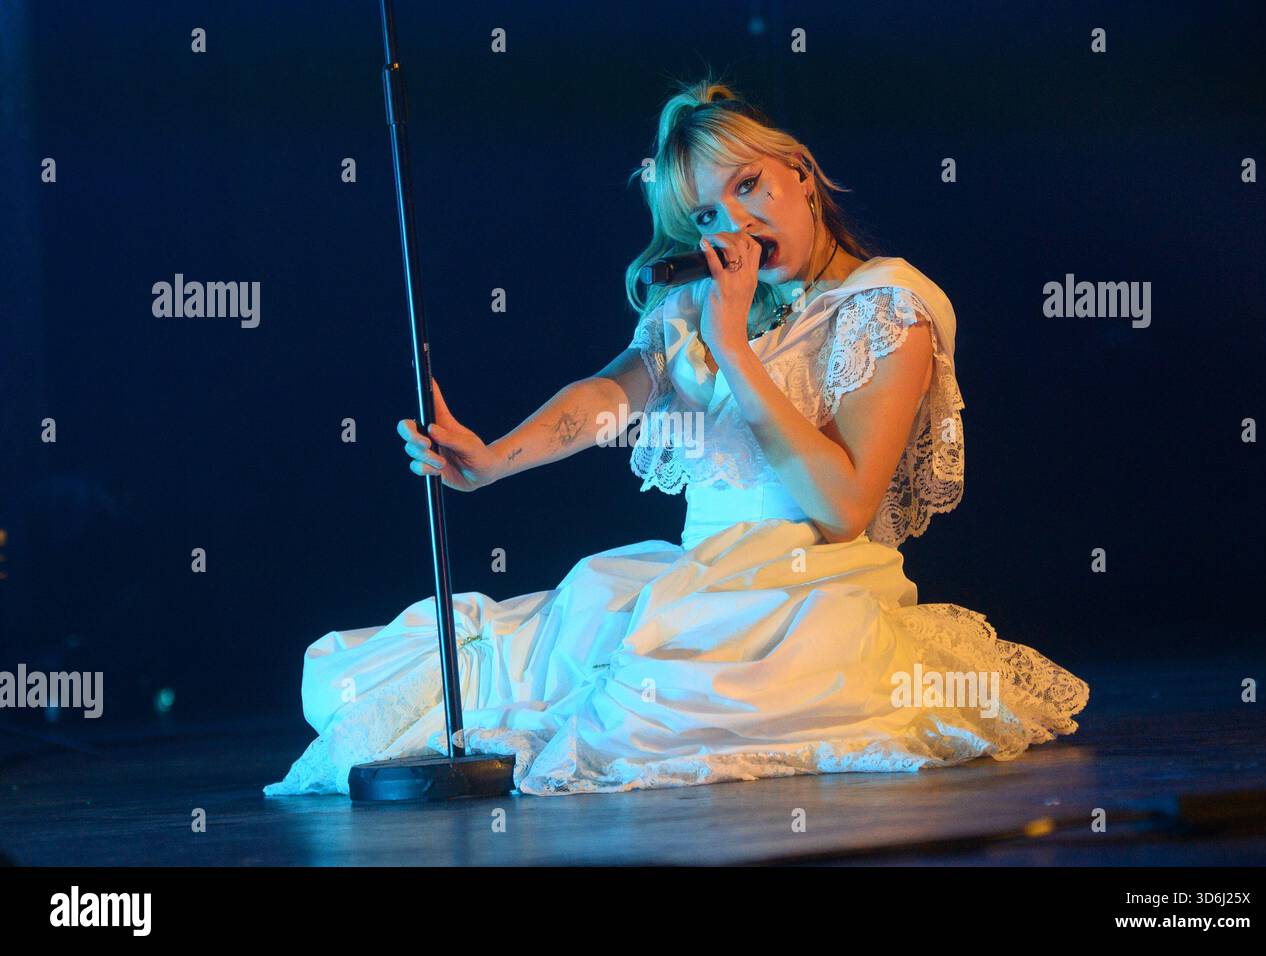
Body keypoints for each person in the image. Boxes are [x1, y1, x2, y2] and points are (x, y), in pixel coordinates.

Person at [264, 78, 1088, 798]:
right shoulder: (694, 309)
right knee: (415, 677)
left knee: (650, 702)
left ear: (800, 175)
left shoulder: (885, 306)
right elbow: (605, 396)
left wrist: (734, 350)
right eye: (706, 211)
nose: (734, 220)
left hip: (805, 593)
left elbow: (842, 505)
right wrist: (489, 463)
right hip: (687, 577)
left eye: (749, 185)